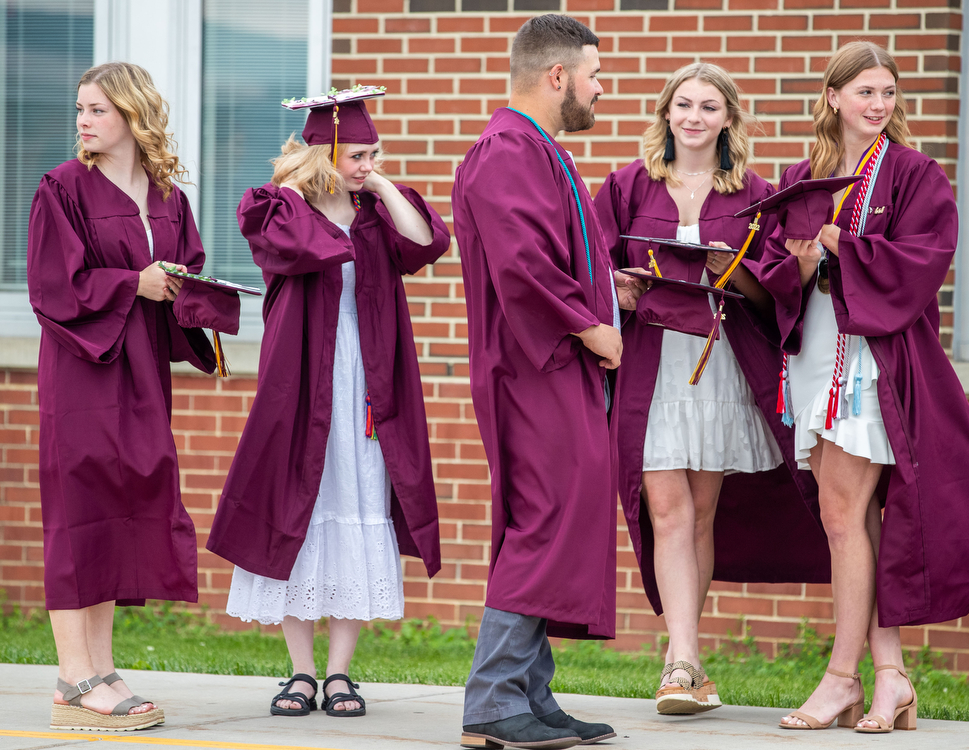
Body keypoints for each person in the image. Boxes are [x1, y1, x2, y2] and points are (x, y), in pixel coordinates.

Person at [756, 41, 969, 733]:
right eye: (865, 91)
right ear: (833, 97)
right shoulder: (802, 176)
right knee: (851, 518)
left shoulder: (916, 175)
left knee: (843, 515)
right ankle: (890, 676)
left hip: (870, 362)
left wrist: (839, 244)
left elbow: (923, 263)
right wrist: (802, 262)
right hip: (815, 356)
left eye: (887, 92)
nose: (879, 104)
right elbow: (777, 273)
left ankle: (842, 679)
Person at [207, 87, 449, 719]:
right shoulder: (276, 207)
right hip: (300, 382)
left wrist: (382, 186)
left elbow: (427, 242)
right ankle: (300, 672)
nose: (367, 164)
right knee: (299, 510)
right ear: (324, 153)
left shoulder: (375, 212)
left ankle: (339, 674)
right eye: (356, 155)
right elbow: (298, 246)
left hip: (369, 379)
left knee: (358, 505)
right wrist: (304, 183)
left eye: (374, 153)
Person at [595, 62, 827, 716]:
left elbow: (775, 294)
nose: (693, 117)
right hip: (654, 364)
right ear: (666, 113)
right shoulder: (627, 186)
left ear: (728, 119)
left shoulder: (754, 193)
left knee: (699, 512)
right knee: (667, 509)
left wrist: (733, 271)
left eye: (708, 107)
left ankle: (686, 663)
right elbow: (593, 268)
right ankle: (683, 661)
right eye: (683, 104)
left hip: (720, 363)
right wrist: (619, 286)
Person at [27, 61, 240, 732]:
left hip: (142, 369)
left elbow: (185, 269)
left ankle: (100, 666)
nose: (83, 120)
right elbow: (53, 287)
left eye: (97, 109)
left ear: (132, 114)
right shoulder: (62, 188)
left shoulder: (166, 195)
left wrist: (186, 289)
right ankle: (74, 675)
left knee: (121, 505)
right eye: (81, 108)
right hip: (83, 371)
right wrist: (133, 284)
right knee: (79, 509)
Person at [452, 14, 636, 750]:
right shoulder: (507, 151)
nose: (601, 89)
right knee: (545, 520)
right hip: (533, 366)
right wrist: (590, 325)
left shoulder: (538, 149)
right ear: (557, 76)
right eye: (595, 75)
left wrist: (608, 290)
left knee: (556, 516)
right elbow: (523, 264)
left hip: (554, 362)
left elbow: (554, 255)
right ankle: (493, 701)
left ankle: (531, 693)